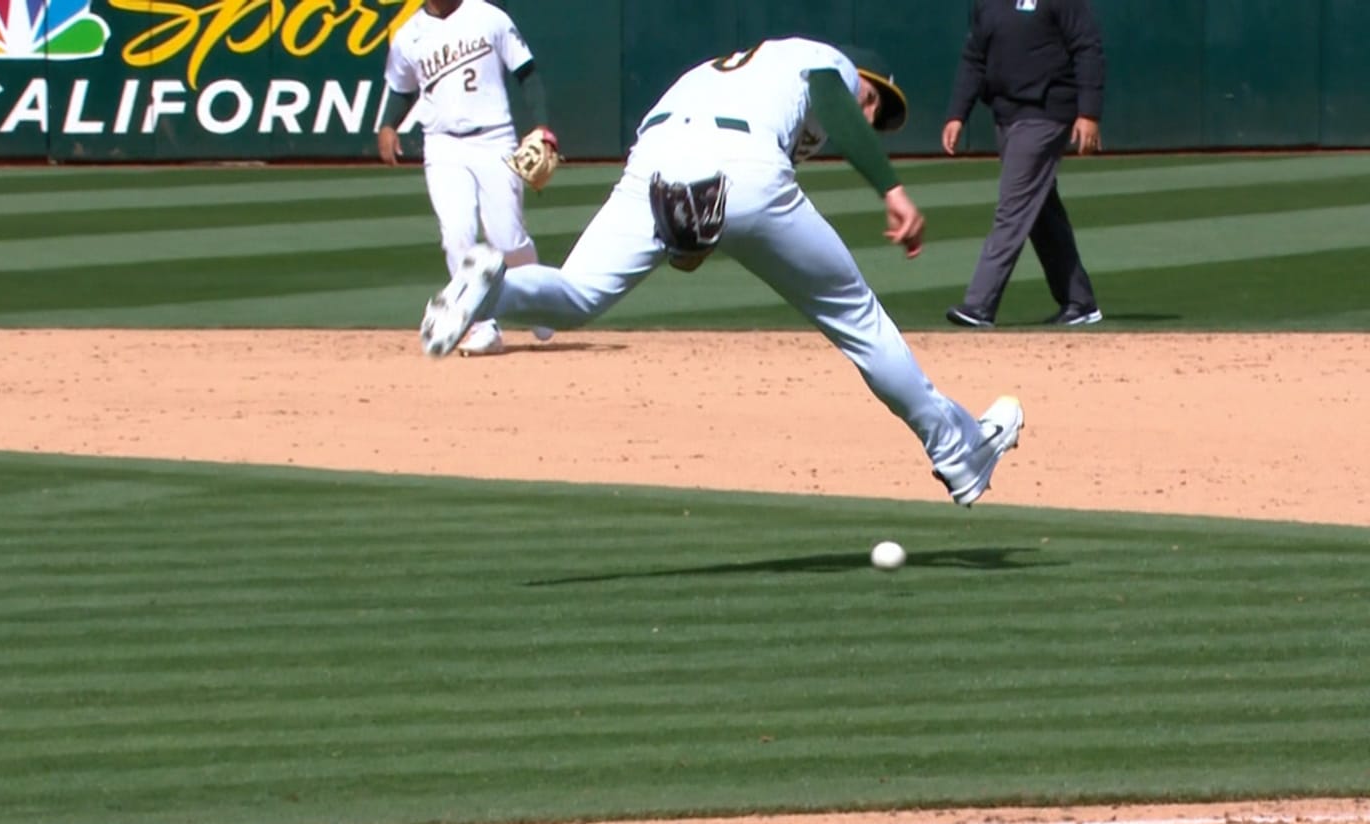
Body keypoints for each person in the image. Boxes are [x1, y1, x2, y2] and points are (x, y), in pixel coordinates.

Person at [419, 37, 1024, 507]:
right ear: (861, 79)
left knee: (577, 295)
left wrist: (687, 242)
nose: (869, 119)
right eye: (874, 103)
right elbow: (833, 100)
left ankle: (491, 288)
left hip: (654, 160)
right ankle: (957, 452)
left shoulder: (720, 75)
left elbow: (692, 232)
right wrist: (890, 188)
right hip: (745, 160)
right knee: (859, 321)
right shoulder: (824, 62)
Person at [377, 0, 557, 356]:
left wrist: (541, 125)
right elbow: (402, 89)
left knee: (507, 238)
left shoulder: (488, 17)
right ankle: (482, 327)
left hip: (494, 138)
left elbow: (527, 73)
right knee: (456, 234)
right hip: (442, 145)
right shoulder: (408, 36)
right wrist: (387, 125)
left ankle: (539, 300)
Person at [942, 0, 1106, 328]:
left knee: (1014, 207)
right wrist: (957, 114)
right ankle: (1079, 302)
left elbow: (1087, 47)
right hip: (1006, 114)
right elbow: (974, 58)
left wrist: (1089, 112)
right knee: (1041, 211)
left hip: (1047, 111)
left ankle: (979, 305)